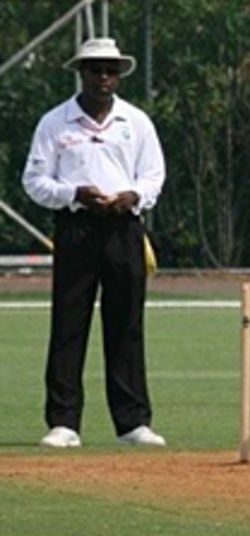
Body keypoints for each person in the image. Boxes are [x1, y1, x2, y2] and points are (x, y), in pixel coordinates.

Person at [21, 37, 167, 449]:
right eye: (96, 69)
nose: (104, 77)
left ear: (119, 76)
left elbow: (153, 175)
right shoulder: (55, 122)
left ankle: (132, 423)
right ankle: (64, 422)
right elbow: (34, 182)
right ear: (81, 73)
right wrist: (74, 194)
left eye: (111, 70)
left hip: (124, 228)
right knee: (69, 323)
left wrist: (133, 196)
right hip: (77, 228)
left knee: (126, 325)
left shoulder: (135, 122)